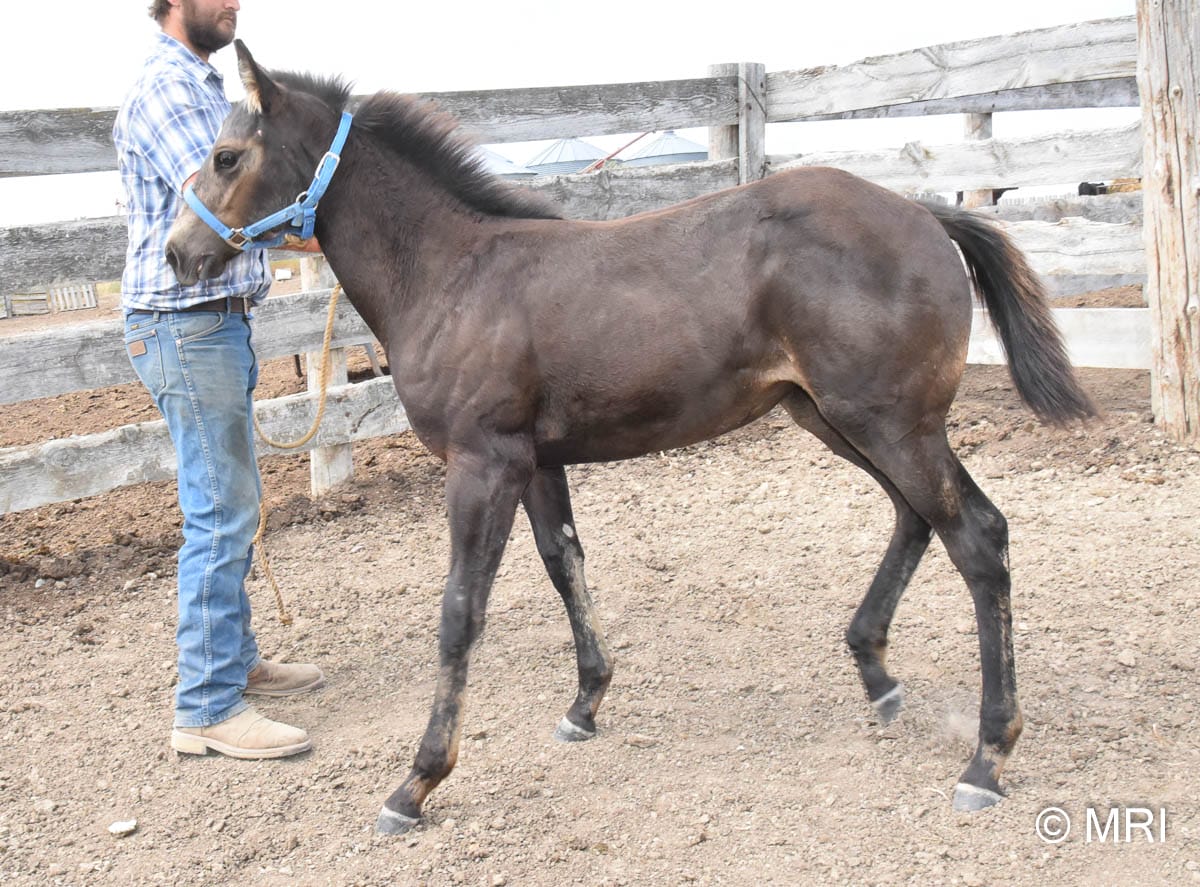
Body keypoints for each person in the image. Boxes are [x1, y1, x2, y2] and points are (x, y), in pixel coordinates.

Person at [114, 0, 324, 759]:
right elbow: (218, 198)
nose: (233, 1)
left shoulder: (203, 85)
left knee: (230, 499)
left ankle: (233, 662)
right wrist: (326, 219)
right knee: (220, 508)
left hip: (210, 319)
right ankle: (205, 706)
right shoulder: (168, 90)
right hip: (184, 320)